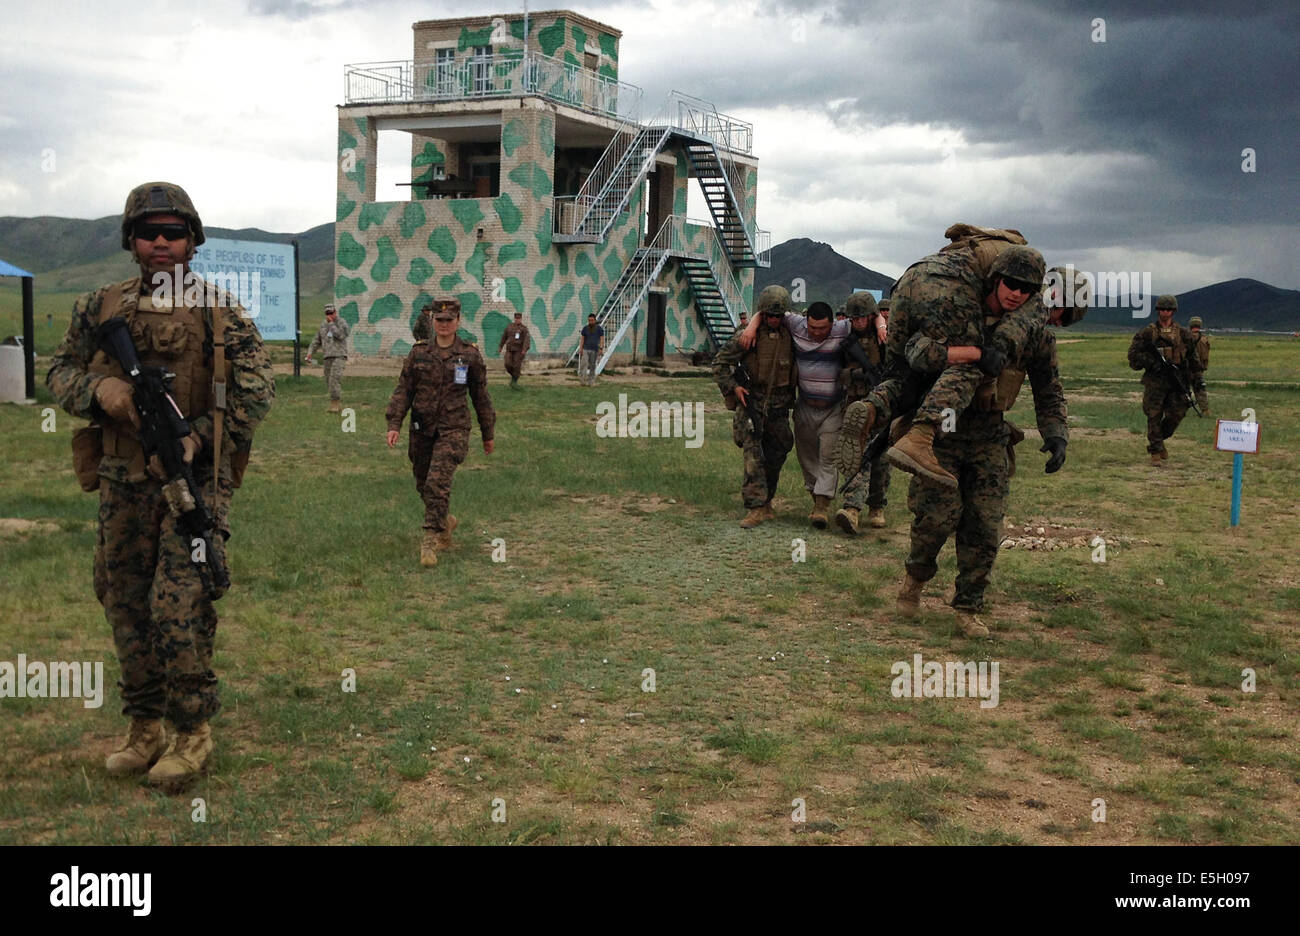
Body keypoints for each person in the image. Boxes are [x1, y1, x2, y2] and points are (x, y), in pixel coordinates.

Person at [46, 181, 274, 788]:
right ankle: (144, 727)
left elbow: (257, 393)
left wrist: (195, 437)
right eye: (149, 233)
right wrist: (105, 393)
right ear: (132, 241)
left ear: (192, 241)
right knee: (123, 603)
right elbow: (60, 371)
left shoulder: (221, 312)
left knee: (179, 603)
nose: (161, 244)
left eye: (174, 233)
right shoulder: (100, 308)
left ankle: (191, 733)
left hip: (190, 486)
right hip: (121, 482)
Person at [894, 273, 1084, 637]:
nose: (1056, 323)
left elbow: (1048, 387)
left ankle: (968, 608)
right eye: (1062, 315)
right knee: (935, 518)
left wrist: (1057, 433)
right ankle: (914, 582)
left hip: (989, 437)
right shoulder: (968, 318)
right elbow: (920, 355)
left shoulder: (1037, 338)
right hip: (945, 434)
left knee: (984, 525)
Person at [841, 229, 1048, 489]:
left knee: (901, 375)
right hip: (944, 289)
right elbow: (989, 347)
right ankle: (920, 436)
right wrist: (984, 354)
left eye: (1024, 289)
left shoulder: (978, 251)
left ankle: (871, 408)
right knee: (969, 365)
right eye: (1011, 284)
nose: (1018, 293)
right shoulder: (1035, 299)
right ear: (996, 279)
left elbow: (914, 355)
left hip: (909, 281)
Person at [737, 298, 868, 528]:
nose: (817, 332)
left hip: (833, 408)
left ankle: (821, 507)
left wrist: (880, 325)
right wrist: (751, 325)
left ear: (833, 325)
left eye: (823, 328)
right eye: (813, 327)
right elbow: (768, 310)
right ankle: (815, 497)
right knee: (807, 458)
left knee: (828, 457)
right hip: (805, 406)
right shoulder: (796, 325)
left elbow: (870, 314)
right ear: (805, 322)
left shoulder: (842, 328)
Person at [386, 299, 495, 566]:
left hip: (454, 428)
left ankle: (429, 542)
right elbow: (404, 391)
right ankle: (445, 521)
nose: (444, 325)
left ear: (458, 322)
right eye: (439, 320)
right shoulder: (419, 353)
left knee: (437, 482)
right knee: (424, 484)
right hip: (421, 429)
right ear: (432, 322)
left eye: (449, 320)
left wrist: (487, 433)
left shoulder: (469, 355)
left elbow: (480, 396)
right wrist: (394, 424)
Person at [713, 286, 798, 528]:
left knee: (778, 453)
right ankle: (755, 507)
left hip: (779, 407)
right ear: (762, 313)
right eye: (768, 315)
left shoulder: (792, 335)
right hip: (753, 404)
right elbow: (720, 362)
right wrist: (733, 387)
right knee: (753, 457)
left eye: (778, 316)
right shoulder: (747, 335)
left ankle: (767, 501)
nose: (773, 320)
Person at [835, 292, 891, 533]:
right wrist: (856, 375)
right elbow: (837, 373)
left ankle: (877, 505)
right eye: (854, 318)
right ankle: (852, 508)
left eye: (862, 318)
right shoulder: (846, 340)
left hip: (882, 405)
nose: (857, 322)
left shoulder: (885, 337)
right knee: (856, 453)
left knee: (881, 458)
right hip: (855, 404)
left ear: (871, 316)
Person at [1127, 295, 1203, 465]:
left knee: (1178, 413)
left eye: (1168, 309)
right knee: (1153, 415)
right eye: (1162, 309)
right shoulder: (1148, 333)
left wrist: (1196, 379)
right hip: (1156, 380)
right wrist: (1153, 363)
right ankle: (1155, 451)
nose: (1165, 312)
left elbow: (1193, 358)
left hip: (1177, 380)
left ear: (1174, 311)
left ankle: (1158, 441)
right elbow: (1133, 356)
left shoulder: (1183, 334)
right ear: (1158, 310)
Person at [305, 303, 350, 412]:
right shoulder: (323, 324)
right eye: (327, 313)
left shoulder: (341, 322)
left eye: (331, 313)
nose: (329, 315)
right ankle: (335, 403)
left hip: (339, 355)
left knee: (335, 379)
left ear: (335, 312)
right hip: (327, 356)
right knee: (329, 381)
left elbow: (341, 335)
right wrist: (310, 353)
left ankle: (335, 404)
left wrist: (332, 324)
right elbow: (317, 340)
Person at [498, 311, 531, 388]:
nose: (517, 320)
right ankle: (514, 375)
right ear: (514, 318)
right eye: (516, 318)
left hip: (519, 351)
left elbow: (527, 340)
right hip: (509, 349)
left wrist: (524, 350)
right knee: (507, 364)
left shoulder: (524, 329)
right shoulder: (509, 327)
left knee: (516, 366)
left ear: (521, 319)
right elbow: (504, 337)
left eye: (519, 318)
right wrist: (500, 346)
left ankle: (514, 381)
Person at [1188, 315, 1210, 414]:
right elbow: (1205, 356)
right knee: (1200, 390)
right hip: (1198, 369)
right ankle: (1205, 410)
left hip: (1186, 368)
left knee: (1181, 390)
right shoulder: (1204, 339)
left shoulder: (1186, 337)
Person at [577, 313, 604, 386]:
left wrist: (601, 348)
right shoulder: (585, 328)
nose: (590, 322)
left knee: (592, 366)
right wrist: (581, 348)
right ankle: (582, 381)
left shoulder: (599, 329)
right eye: (589, 320)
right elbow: (582, 339)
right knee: (584, 364)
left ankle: (591, 382)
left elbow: (602, 339)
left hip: (594, 350)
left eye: (592, 320)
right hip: (586, 349)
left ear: (595, 320)